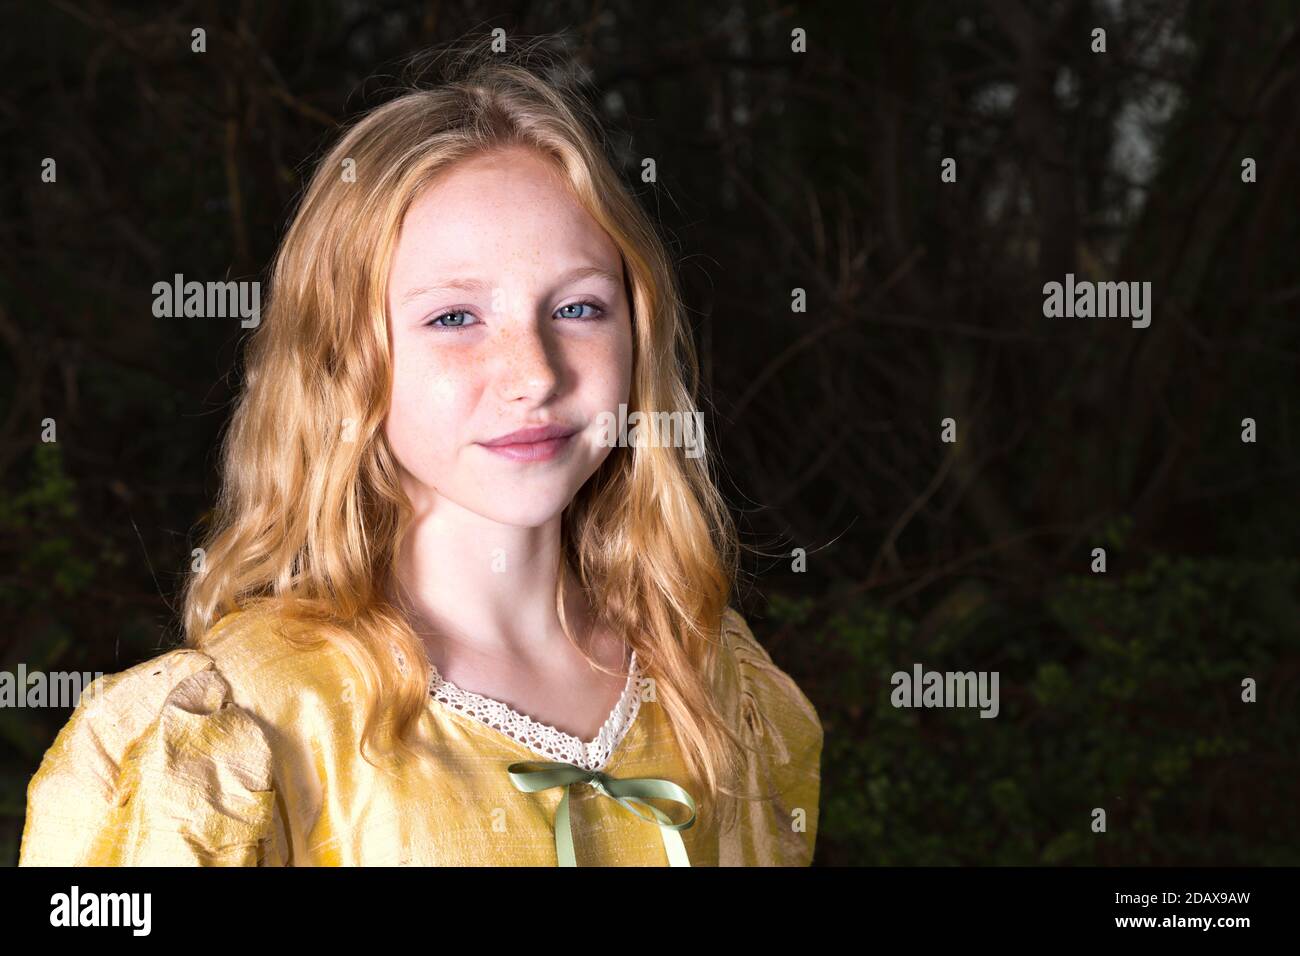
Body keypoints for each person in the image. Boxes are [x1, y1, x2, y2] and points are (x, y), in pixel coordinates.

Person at [18, 38, 822, 867]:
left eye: (579, 308)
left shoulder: (714, 680)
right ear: (343, 359)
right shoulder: (253, 720)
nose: (532, 375)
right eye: (454, 319)